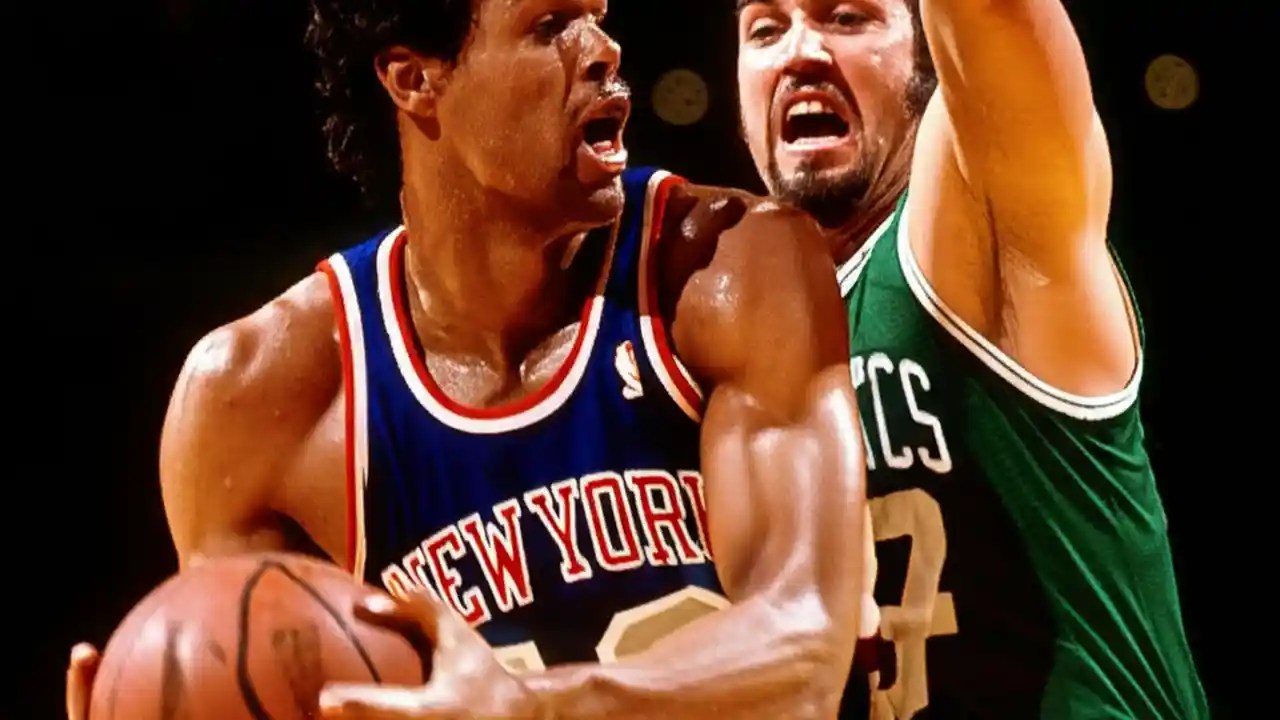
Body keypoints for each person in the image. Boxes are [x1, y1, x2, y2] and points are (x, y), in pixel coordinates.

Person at [66, 0, 871, 718]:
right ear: (415, 80)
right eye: (551, 25)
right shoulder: (259, 397)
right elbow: (251, 685)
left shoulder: (725, 265)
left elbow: (805, 654)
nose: (603, 50)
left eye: (598, 15)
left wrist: (533, 710)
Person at [733, 0, 1209, 717]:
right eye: (765, 30)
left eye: (847, 18)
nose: (800, 52)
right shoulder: (743, 348)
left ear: (925, 61)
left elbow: (996, 15)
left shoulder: (974, 226)